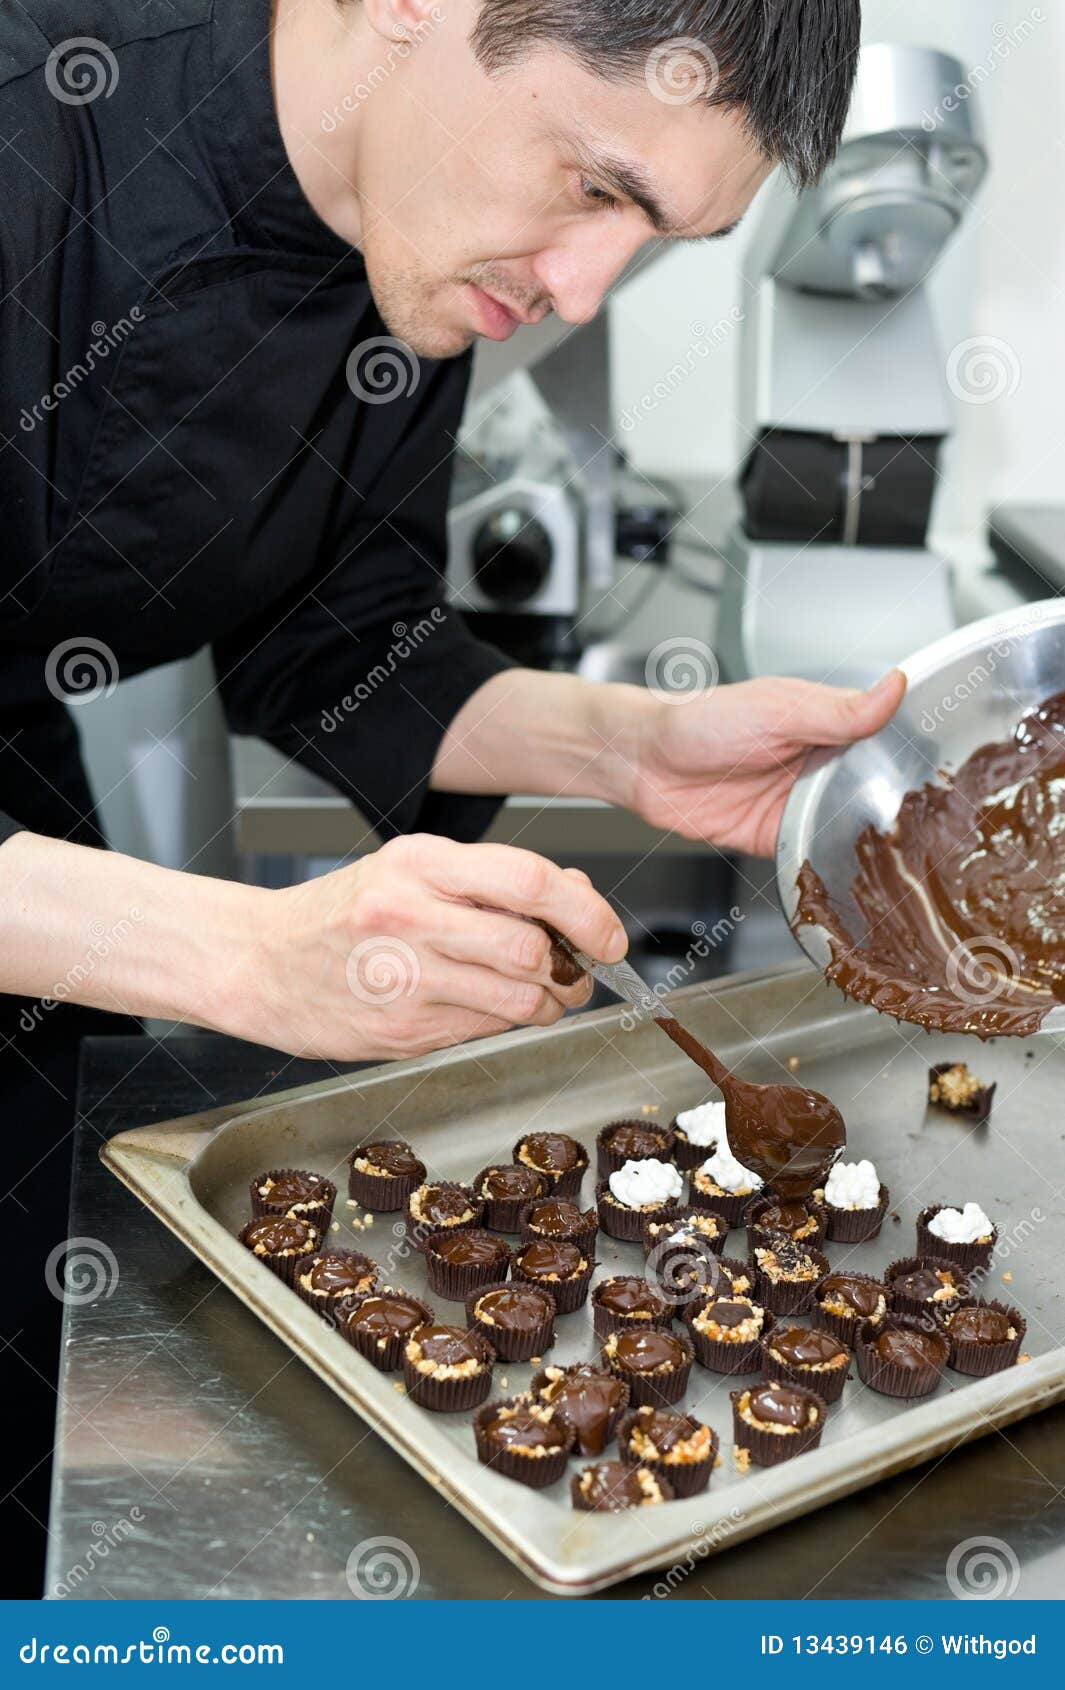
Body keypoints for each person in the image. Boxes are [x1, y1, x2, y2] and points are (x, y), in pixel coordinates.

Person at [1, 0, 894, 1588]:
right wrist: (246, 958)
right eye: (596, 184)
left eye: (660, 237)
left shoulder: (409, 234)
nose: (577, 286)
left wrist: (624, 749)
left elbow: (330, 627)